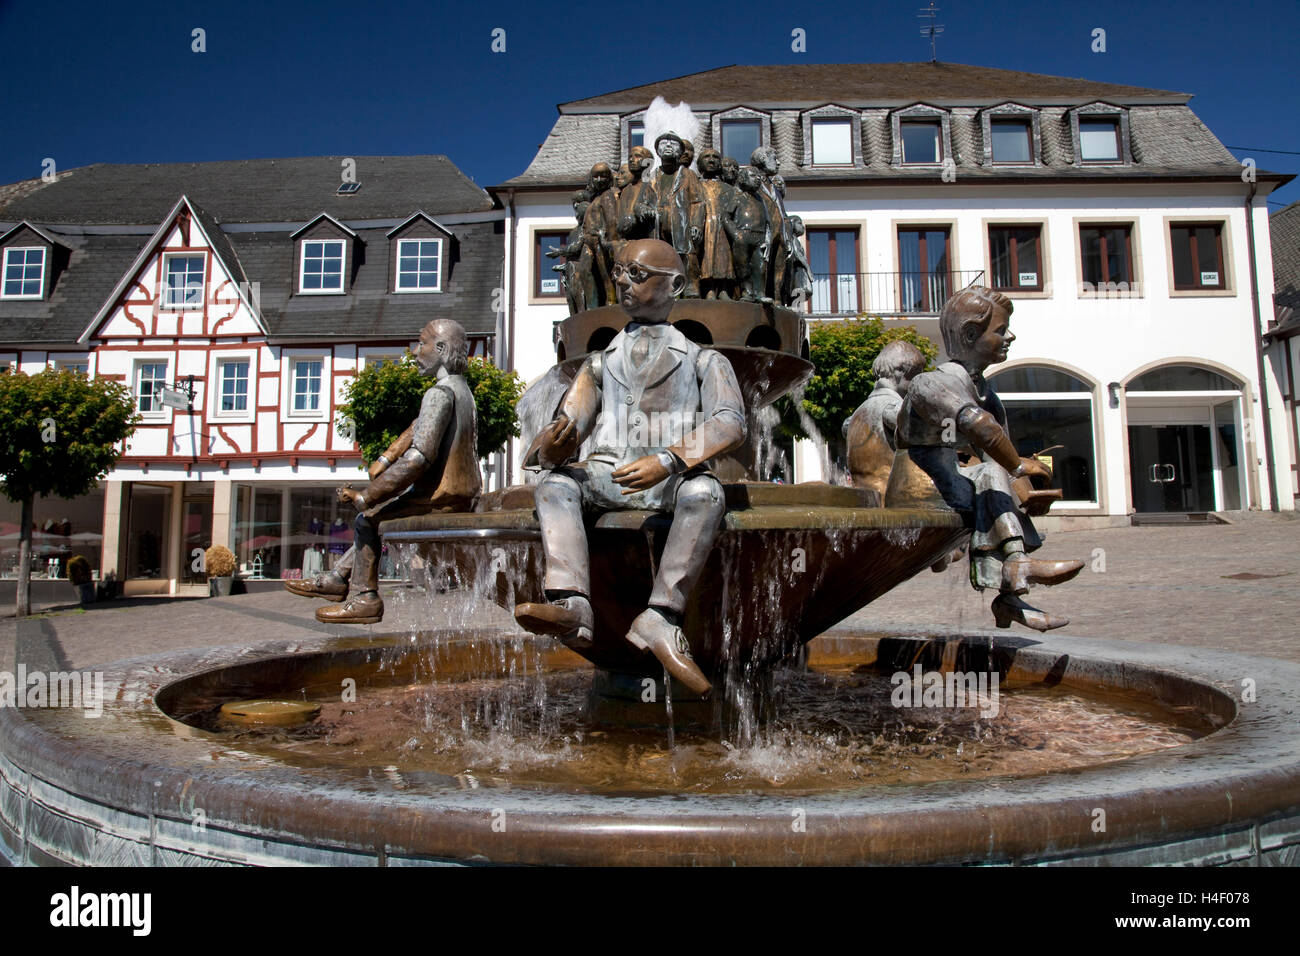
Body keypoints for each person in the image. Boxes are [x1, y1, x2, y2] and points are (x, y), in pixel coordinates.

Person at [514, 239, 746, 694]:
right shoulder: (599, 363)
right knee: (555, 485)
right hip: (607, 474)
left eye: (636, 274)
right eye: (620, 272)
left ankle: (661, 617)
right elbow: (570, 422)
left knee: (706, 493)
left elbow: (730, 422)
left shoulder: (704, 359)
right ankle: (574, 604)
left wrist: (668, 461)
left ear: (675, 285)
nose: (622, 281)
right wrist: (555, 445)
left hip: (669, 479)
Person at [892, 287, 1083, 630]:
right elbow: (980, 427)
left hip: (953, 481)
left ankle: (1010, 592)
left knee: (992, 473)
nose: (1010, 336)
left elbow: (997, 446)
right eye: (1000, 329)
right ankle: (1016, 565)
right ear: (969, 334)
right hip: (919, 484)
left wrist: (1026, 492)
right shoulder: (929, 384)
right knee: (991, 475)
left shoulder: (985, 392)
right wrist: (1017, 465)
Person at [284, 319, 480, 624]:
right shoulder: (461, 391)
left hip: (439, 496)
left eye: (422, 343)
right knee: (371, 519)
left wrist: (367, 495)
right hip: (460, 492)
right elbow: (419, 427)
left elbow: (419, 457)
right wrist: (386, 459)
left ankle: (365, 598)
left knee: (367, 520)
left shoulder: (438, 394)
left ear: (441, 349)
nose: (416, 352)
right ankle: (337, 579)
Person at [844, 340, 928, 501]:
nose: (918, 381)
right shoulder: (893, 408)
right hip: (893, 507)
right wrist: (954, 429)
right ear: (900, 371)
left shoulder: (857, 413)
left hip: (864, 505)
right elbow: (933, 433)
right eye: (917, 374)